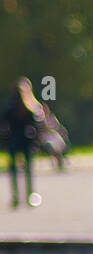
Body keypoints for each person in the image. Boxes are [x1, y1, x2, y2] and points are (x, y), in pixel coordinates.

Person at [3, 77, 44, 207]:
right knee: (14, 169)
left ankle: (29, 194)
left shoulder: (32, 106)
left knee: (28, 169)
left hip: (27, 141)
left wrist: (36, 137)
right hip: (14, 140)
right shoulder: (10, 107)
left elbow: (38, 123)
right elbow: (4, 123)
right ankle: (16, 196)